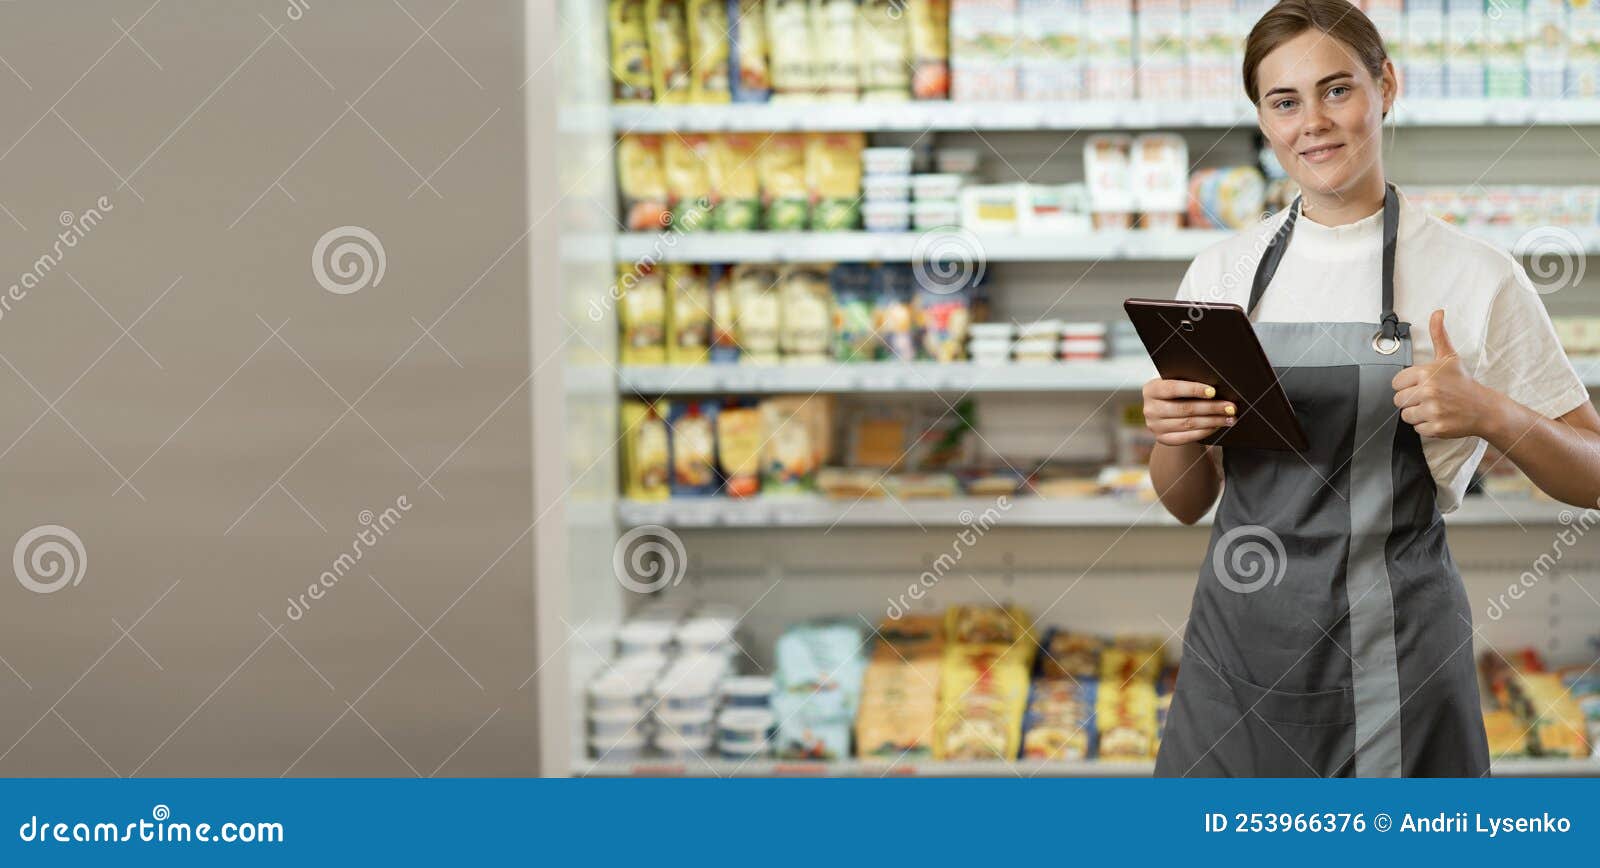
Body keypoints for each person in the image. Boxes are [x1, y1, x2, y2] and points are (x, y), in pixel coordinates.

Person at [1144, 0, 1600, 777]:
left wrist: (1490, 413)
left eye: (1337, 89)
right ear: (1262, 119)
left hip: (1400, 658)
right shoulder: (1220, 276)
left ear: (1386, 86)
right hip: (1237, 657)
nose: (1312, 123)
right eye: (1284, 102)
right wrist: (1173, 436)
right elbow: (1187, 500)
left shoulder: (1475, 274)